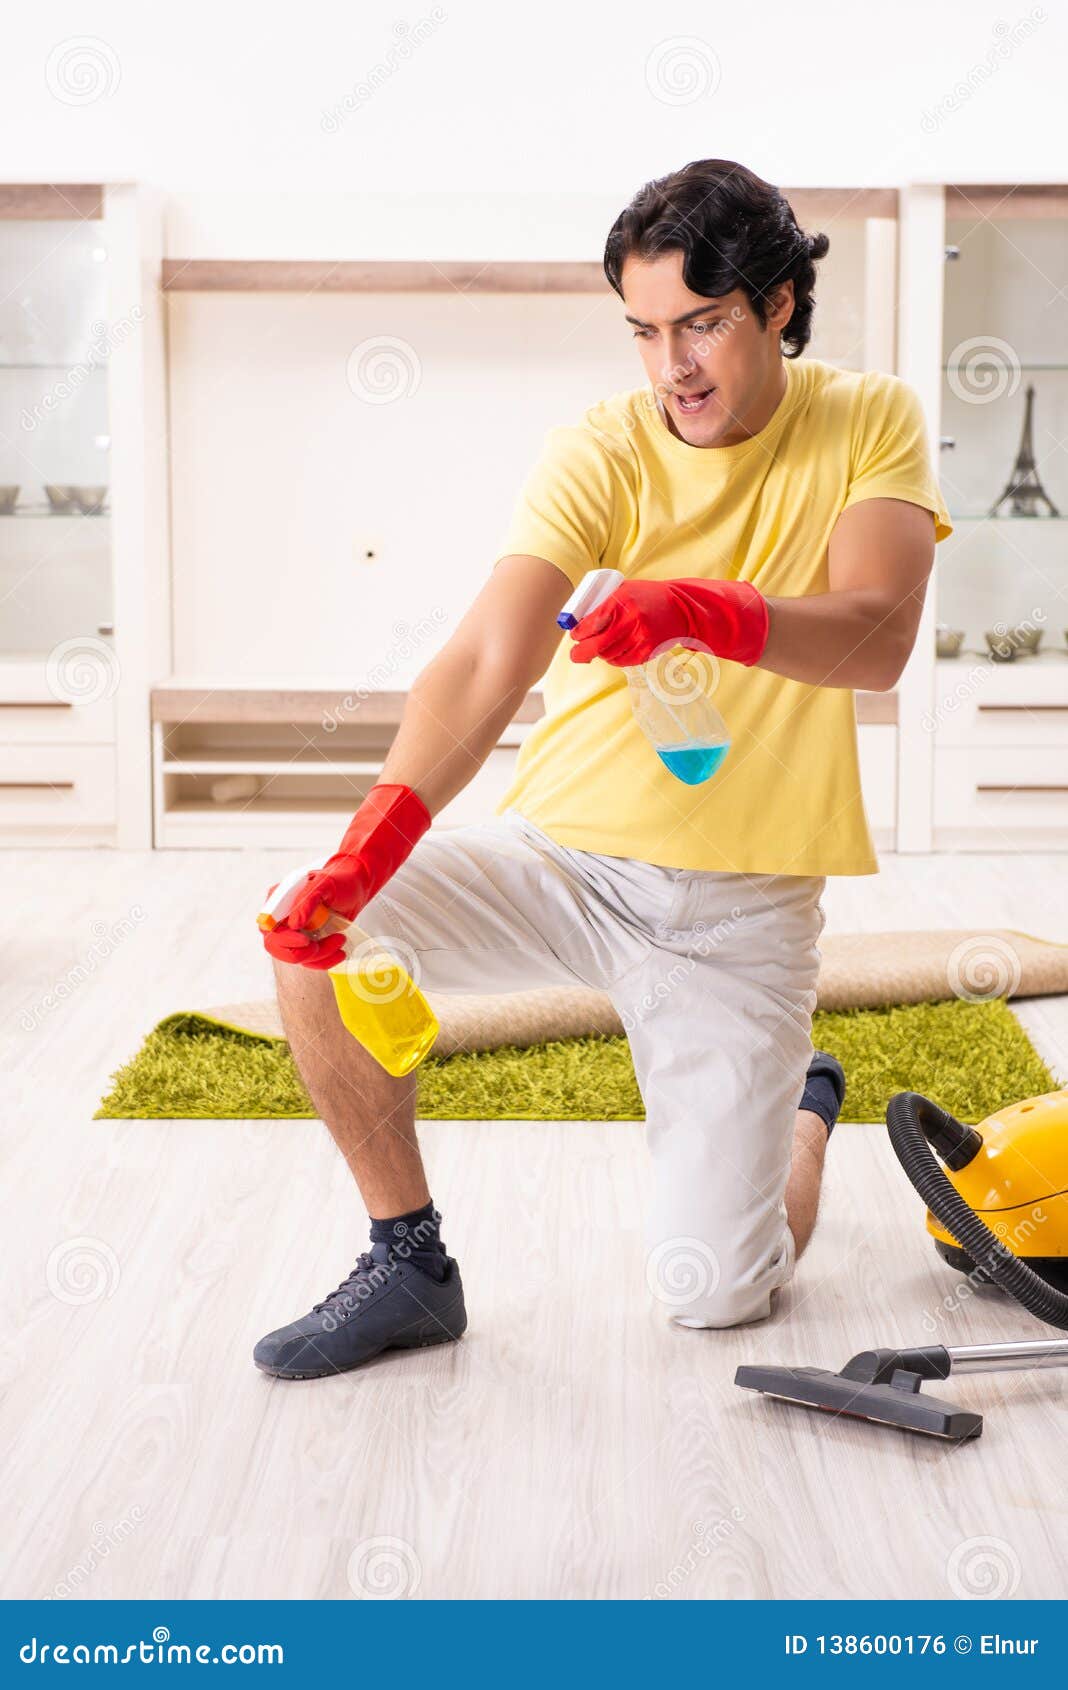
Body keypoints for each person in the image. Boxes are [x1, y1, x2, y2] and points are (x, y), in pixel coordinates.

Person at [253, 157, 952, 1379]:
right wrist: (363, 856)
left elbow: (878, 636)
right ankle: (408, 1260)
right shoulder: (602, 447)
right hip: (563, 861)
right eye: (644, 331)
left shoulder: (868, 418)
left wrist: (704, 611)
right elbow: (483, 661)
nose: (672, 365)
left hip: (740, 912)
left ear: (779, 302)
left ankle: (803, 1110)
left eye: (704, 324)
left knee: (720, 1294)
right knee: (307, 925)